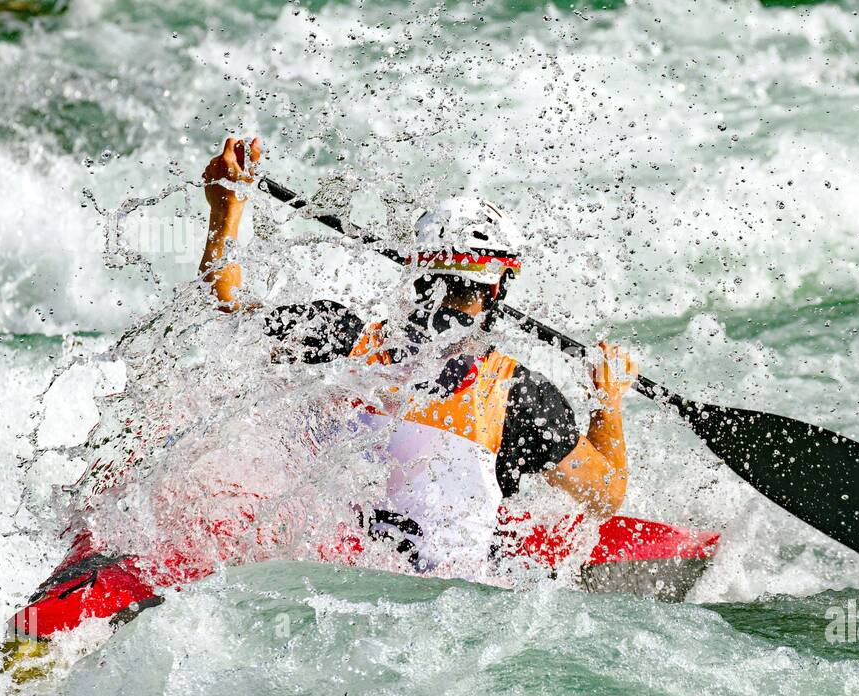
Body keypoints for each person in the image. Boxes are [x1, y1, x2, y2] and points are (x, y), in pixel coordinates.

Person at [199, 136, 640, 573]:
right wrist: (608, 398)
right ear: (497, 286)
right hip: (451, 606)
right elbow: (606, 495)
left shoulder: (336, 338)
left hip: (322, 574)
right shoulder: (520, 397)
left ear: (416, 275)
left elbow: (227, 305)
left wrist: (226, 209)